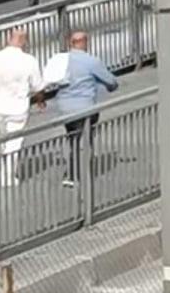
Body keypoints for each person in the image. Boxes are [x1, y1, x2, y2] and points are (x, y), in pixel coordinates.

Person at [39, 28, 118, 187]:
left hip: (65, 107)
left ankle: (71, 174)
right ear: (85, 43)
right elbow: (111, 82)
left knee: (72, 138)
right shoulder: (91, 61)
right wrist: (110, 87)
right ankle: (87, 173)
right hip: (85, 107)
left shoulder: (62, 60)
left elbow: (49, 80)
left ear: (71, 43)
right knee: (87, 139)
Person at [0, 25, 40, 185]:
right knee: (14, 142)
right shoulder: (29, 60)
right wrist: (40, 100)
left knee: (5, 138)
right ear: (25, 41)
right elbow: (37, 86)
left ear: (8, 38)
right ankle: (8, 176)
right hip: (18, 107)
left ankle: (7, 165)